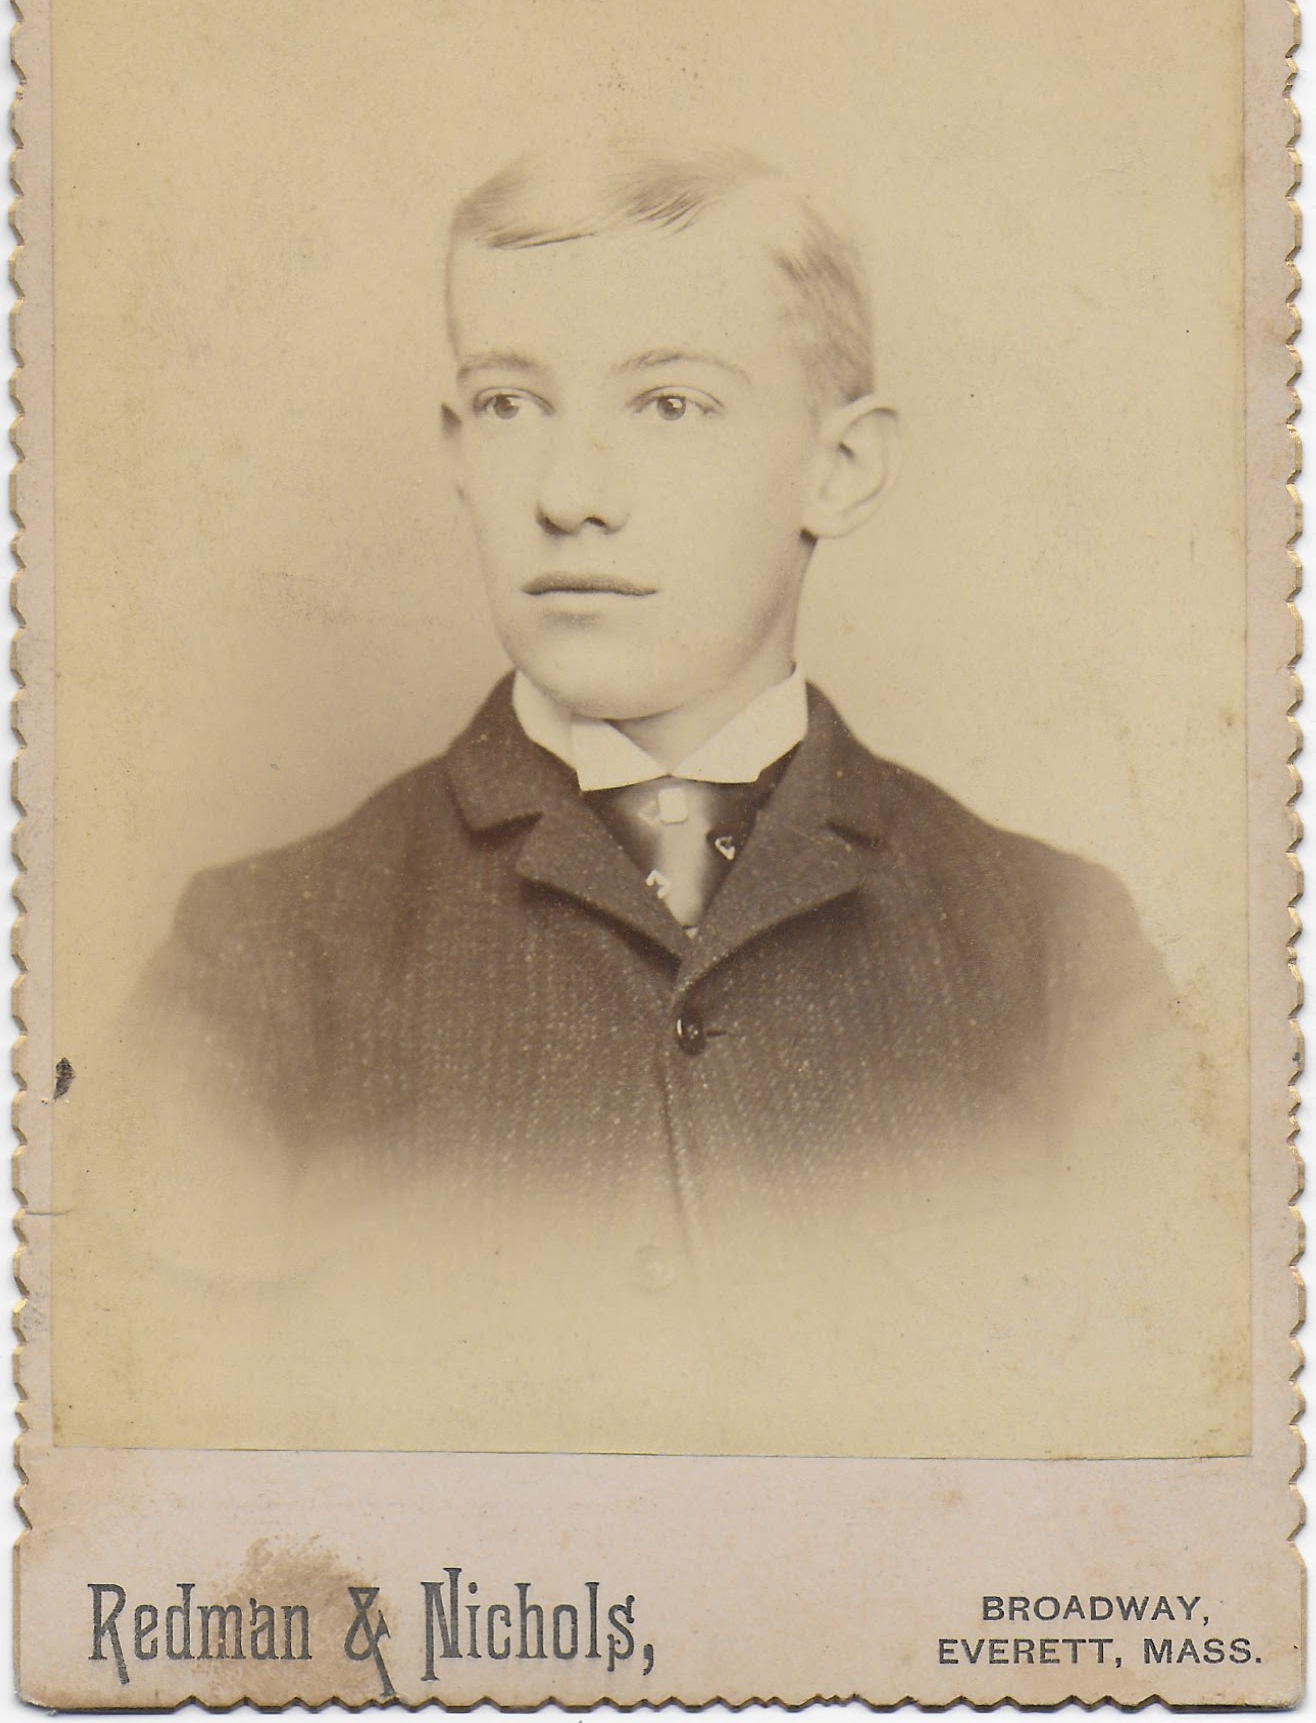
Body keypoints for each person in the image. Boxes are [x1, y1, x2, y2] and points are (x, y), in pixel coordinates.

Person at [88, 142, 1203, 1454]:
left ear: (839, 468)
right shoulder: (260, 953)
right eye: (511, 405)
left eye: (669, 405)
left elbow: (1171, 1415)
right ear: (455, 448)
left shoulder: (1055, 944)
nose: (568, 497)